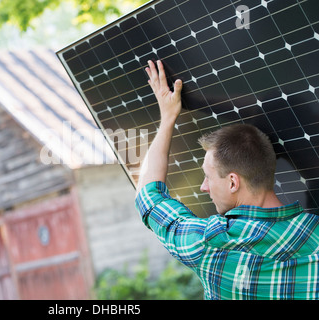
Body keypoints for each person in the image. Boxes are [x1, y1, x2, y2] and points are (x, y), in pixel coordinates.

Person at [135, 60, 319, 300]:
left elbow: (148, 196)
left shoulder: (210, 244)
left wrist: (168, 117)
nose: (203, 187)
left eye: (208, 176)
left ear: (233, 182)